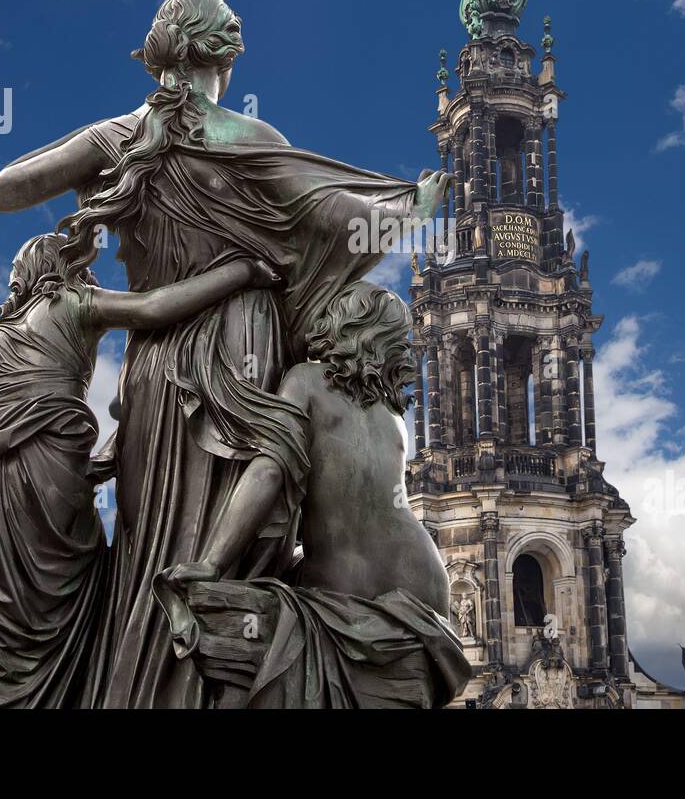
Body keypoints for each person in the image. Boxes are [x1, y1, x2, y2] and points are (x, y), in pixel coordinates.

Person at [0, 0, 449, 707]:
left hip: (158, 363)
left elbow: (5, 190)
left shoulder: (119, 137)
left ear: (159, 56)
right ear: (224, 59)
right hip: (245, 352)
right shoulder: (253, 137)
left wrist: (109, 146)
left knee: (148, 544)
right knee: (244, 549)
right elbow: (342, 223)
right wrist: (412, 203)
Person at [0, 232, 278, 708]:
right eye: (81, 263)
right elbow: (154, 308)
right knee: (68, 602)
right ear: (61, 270)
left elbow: (26, 407)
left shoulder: (4, 329)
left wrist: (108, 457)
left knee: (0, 643)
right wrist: (240, 271)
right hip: (39, 478)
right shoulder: (72, 301)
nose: (92, 270)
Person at [153, 283, 470, 708]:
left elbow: (269, 470)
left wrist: (211, 561)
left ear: (345, 322)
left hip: (348, 589)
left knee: (251, 662)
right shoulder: (393, 415)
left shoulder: (306, 380)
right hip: (428, 593)